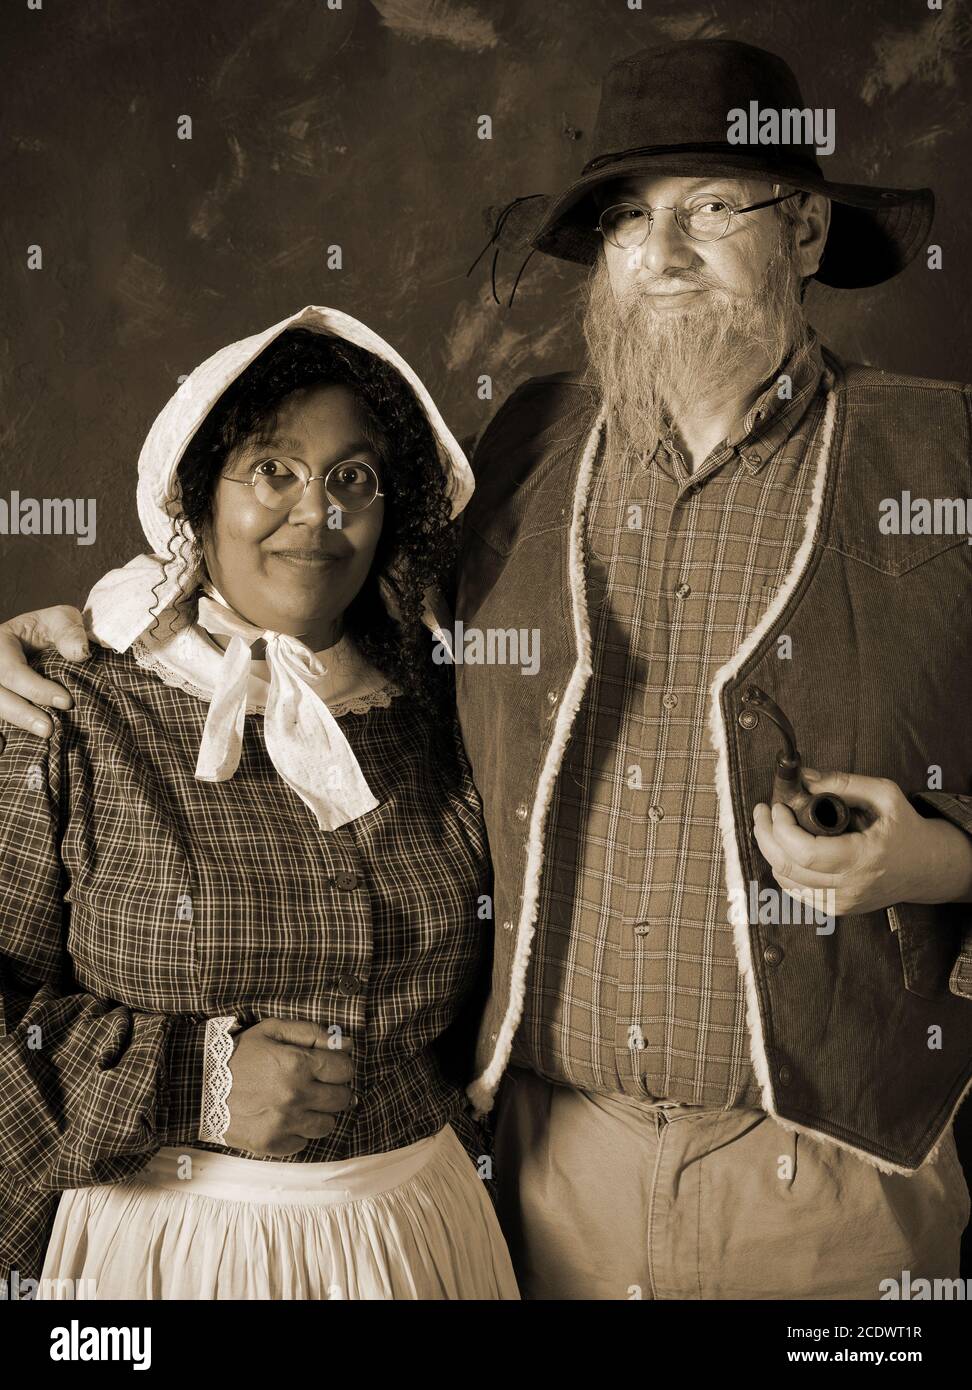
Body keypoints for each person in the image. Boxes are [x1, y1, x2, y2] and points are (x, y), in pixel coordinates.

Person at [3, 40, 972, 1301]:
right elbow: (296, 595)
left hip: (837, 1184)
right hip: (544, 1178)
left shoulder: (944, 460)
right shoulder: (525, 451)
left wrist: (944, 859)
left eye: (709, 210)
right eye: (627, 220)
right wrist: (52, 637)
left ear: (804, 230)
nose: (661, 255)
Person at [0, 306, 518, 1300]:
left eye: (352, 479)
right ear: (196, 501)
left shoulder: (441, 706)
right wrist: (195, 1079)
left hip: (419, 1237)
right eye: (274, 470)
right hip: (171, 1252)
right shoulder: (75, 708)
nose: (318, 514)